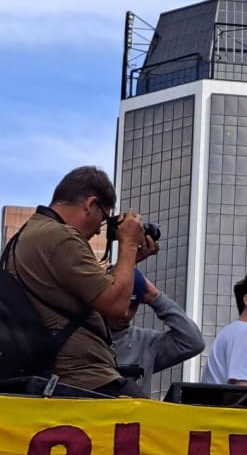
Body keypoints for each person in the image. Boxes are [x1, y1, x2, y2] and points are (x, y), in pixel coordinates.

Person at [3, 166, 156, 397]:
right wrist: (128, 245)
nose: (97, 232)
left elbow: (96, 295)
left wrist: (129, 259)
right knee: (152, 423)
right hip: (80, 379)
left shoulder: (30, 235)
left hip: (58, 376)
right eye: (103, 219)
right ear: (89, 204)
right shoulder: (61, 237)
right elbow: (116, 307)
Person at [111, 269, 205, 394]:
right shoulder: (83, 336)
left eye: (132, 306)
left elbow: (193, 342)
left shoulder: (146, 343)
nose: (126, 313)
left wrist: (155, 297)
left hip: (135, 413)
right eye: (120, 303)